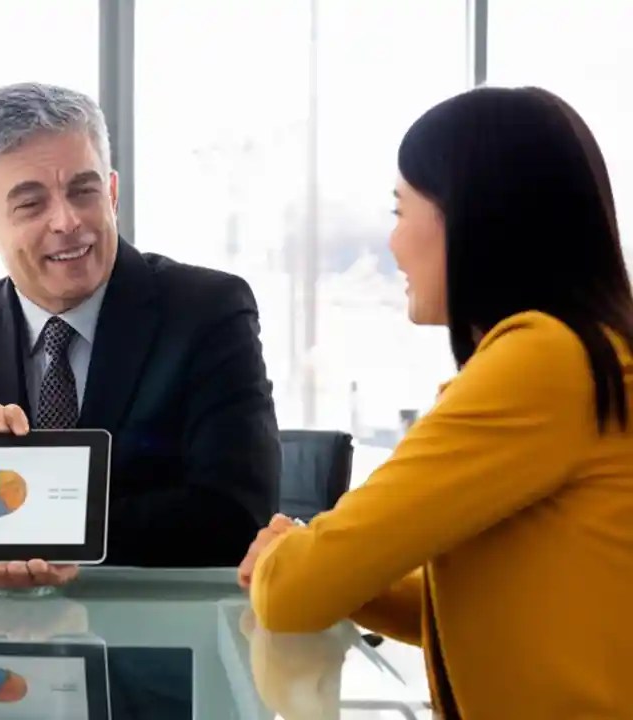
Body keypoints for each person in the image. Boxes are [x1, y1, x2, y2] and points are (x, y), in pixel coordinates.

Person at [239, 86, 633, 718]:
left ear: (472, 215)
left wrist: (285, 561)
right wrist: (329, 574)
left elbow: (292, 593)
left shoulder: (542, 361)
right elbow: (486, 599)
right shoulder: (586, 355)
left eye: (401, 210)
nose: (393, 243)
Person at [0, 82, 281, 587]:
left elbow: (237, 515)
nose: (68, 221)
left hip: (152, 627)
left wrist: (26, 529)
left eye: (83, 191)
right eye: (31, 204)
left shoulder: (207, 310)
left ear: (111, 194)